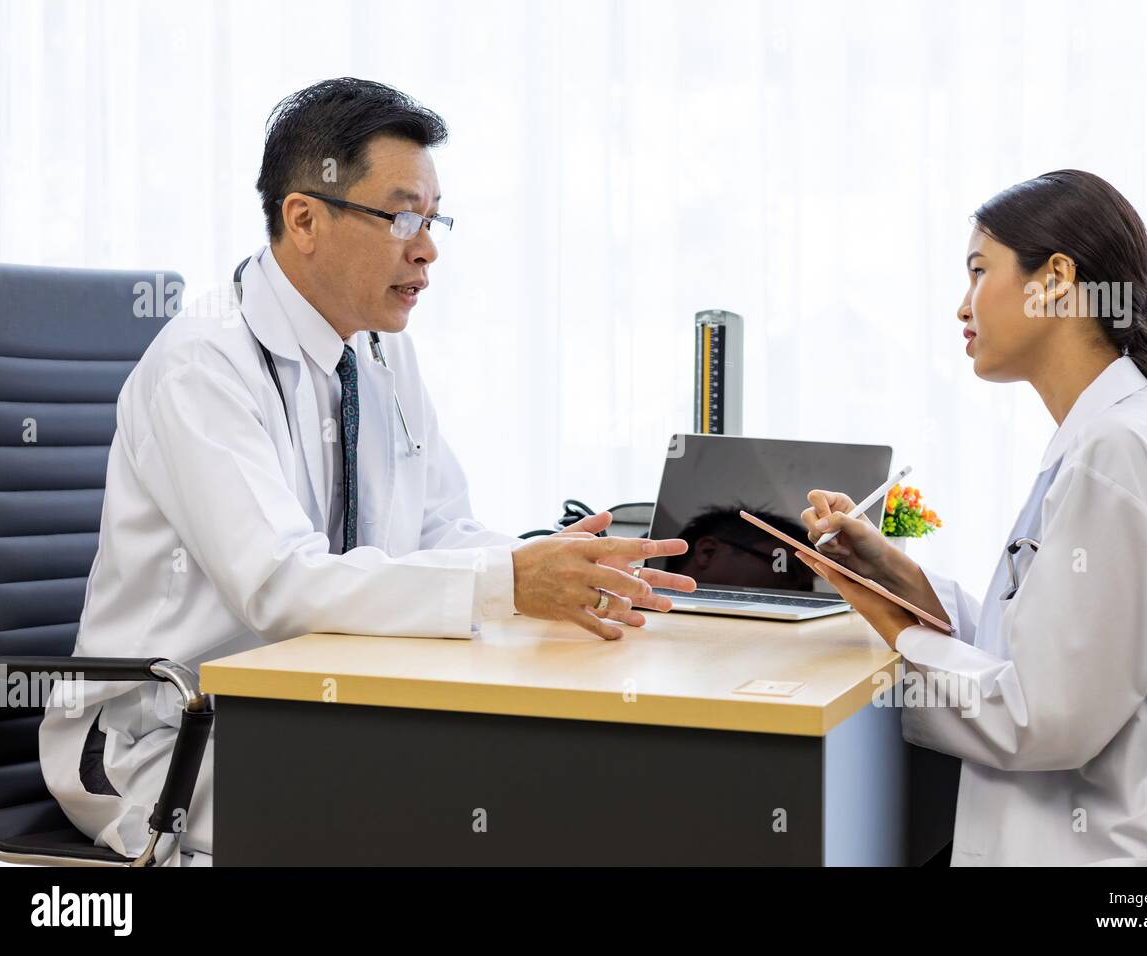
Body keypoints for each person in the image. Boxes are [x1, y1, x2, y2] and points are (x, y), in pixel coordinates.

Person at [39, 78, 695, 866]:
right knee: (459, 810)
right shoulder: (202, 365)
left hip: (319, 708)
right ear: (305, 218)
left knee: (548, 768)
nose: (427, 249)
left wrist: (563, 572)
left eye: (435, 218)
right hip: (167, 739)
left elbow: (440, 525)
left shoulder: (380, 351)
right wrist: (505, 584)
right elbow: (280, 585)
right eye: (403, 217)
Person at [797, 169, 1147, 866]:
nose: (962, 308)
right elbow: (1042, 647)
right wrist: (899, 578)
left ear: (1055, 279)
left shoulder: (1113, 450)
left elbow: (1042, 718)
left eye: (978, 271)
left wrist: (900, 632)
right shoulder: (1111, 433)